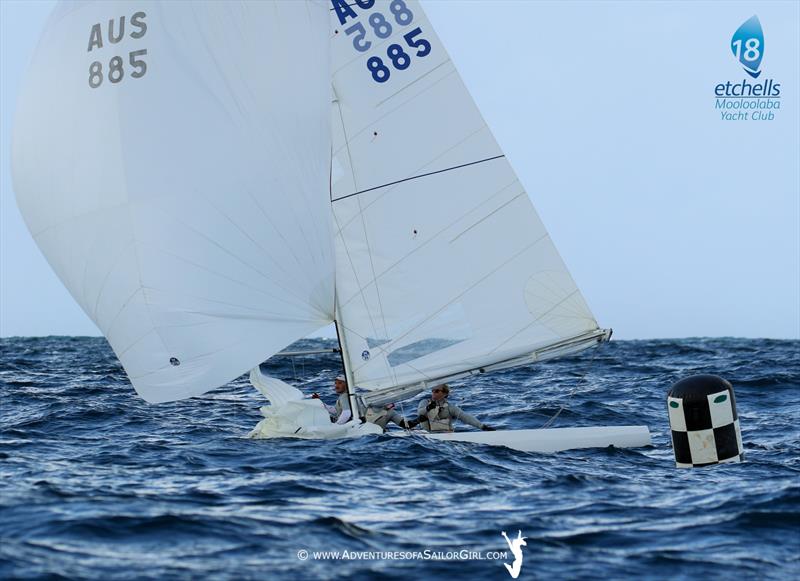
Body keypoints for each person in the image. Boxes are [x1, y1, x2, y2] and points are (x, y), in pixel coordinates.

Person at [411, 384, 495, 432]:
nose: (433, 393)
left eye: (436, 391)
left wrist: (482, 427)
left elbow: (465, 417)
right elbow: (420, 413)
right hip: (426, 438)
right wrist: (428, 407)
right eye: (432, 390)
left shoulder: (450, 408)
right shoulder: (424, 402)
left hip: (446, 438)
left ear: (445, 394)